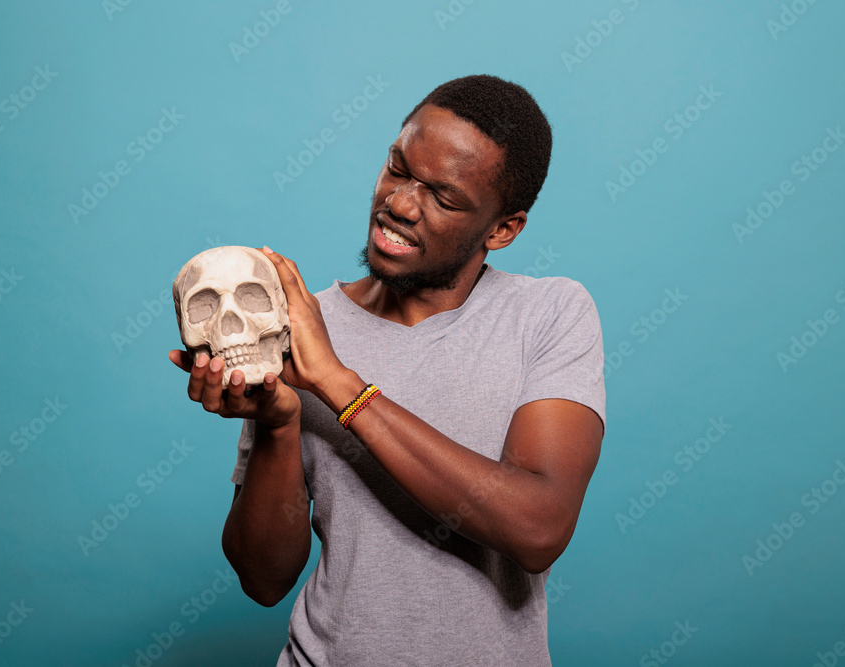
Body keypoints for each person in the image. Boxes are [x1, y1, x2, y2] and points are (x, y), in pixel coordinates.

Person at [168, 74, 605, 666]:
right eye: (398, 168)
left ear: (503, 229)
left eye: (443, 198)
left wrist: (337, 383)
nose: (398, 204)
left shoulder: (549, 313)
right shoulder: (294, 327)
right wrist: (278, 426)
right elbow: (263, 580)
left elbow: (538, 528)